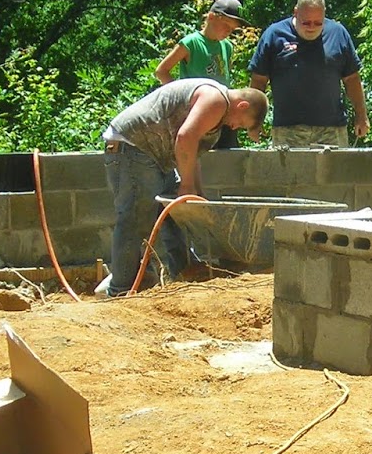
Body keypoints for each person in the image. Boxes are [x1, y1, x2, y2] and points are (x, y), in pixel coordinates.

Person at [98, 78, 268, 296]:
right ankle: (120, 291)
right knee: (134, 219)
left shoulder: (217, 106)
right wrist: (187, 186)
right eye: (241, 123)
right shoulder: (217, 100)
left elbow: (191, 152)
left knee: (178, 213)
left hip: (153, 154)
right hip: (133, 146)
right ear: (242, 106)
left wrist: (197, 192)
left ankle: (182, 275)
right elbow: (185, 137)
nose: (234, 127)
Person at [248, 0, 370, 147]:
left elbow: (352, 79)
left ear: (324, 13)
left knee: (335, 173)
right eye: (306, 22)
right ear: (296, 12)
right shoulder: (274, 35)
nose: (312, 27)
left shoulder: (338, 34)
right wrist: (254, 121)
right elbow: (258, 81)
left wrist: (361, 116)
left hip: (332, 129)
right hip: (288, 130)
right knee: (290, 173)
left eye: (318, 22)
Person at [154, 0, 248, 85]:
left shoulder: (227, 46)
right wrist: (180, 95)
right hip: (195, 101)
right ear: (211, 17)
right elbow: (161, 71)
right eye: (226, 25)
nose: (228, 31)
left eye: (232, 28)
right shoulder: (191, 43)